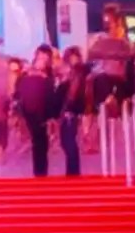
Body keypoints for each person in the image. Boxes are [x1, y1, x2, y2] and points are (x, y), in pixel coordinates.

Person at [14, 46, 56, 177]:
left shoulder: (48, 76)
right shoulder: (26, 74)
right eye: (41, 57)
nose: (43, 60)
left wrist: (50, 117)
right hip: (31, 114)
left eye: (46, 58)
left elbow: (50, 96)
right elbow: (18, 93)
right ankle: (40, 175)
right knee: (39, 144)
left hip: (42, 115)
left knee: (41, 146)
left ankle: (40, 175)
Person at [55, 47, 89, 177]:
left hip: (70, 112)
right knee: (67, 142)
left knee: (69, 143)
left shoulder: (77, 75)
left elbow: (73, 96)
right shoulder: (74, 75)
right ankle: (72, 172)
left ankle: (73, 173)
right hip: (69, 112)